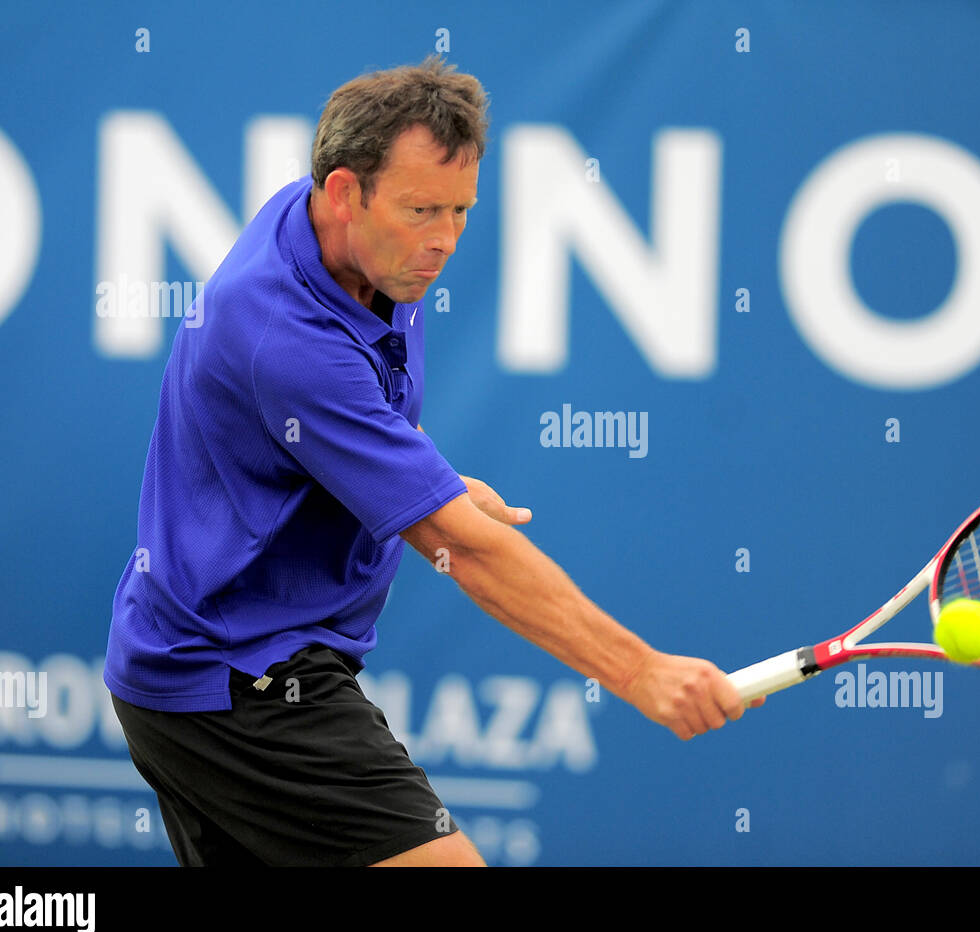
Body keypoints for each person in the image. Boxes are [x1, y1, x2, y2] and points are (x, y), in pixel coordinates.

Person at [104, 55, 761, 868]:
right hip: (238, 680)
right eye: (422, 210)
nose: (444, 241)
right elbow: (469, 551)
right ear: (344, 191)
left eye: (460, 211)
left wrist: (422, 479)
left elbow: (326, 433)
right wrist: (641, 672)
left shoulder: (352, 248)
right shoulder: (285, 333)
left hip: (201, 663)